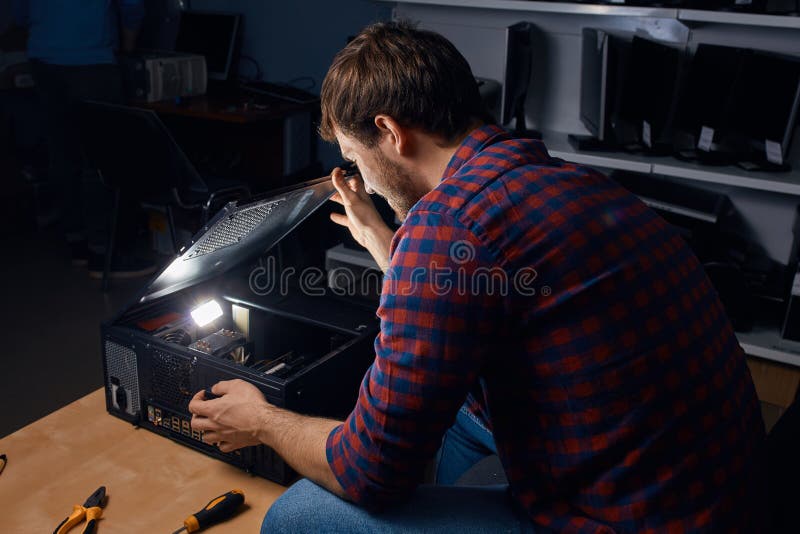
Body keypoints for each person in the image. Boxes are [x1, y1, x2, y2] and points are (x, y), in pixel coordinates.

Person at [188, 22, 767, 532]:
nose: (363, 177)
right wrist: (394, 250)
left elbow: (369, 471)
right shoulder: (558, 177)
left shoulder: (445, 226)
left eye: (355, 156)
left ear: (390, 132)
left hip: (623, 520)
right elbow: (487, 294)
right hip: (719, 495)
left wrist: (262, 420)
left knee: (296, 517)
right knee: (467, 416)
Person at [13, 0, 155, 278]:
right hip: (91, 62)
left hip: (44, 61)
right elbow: (133, 8)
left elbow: (19, 13)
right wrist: (127, 48)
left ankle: (76, 240)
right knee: (100, 156)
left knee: (63, 151)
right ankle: (103, 253)